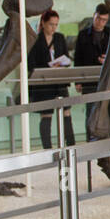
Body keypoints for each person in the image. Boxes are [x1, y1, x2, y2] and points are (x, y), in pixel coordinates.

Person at [27, 10, 75, 149]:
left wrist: (62, 63)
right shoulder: (35, 39)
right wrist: (47, 66)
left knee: (66, 111)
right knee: (46, 115)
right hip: (44, 82)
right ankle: (47, 148)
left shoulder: (59, 38)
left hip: (59, 81)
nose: (53, 28)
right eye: (51, 25)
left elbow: (66, 57)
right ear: (43, 23)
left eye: (56, 25)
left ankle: (71, 145)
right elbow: (31, 63)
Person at [74, 3, 110, 139]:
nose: (100, 22)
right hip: (90, 79)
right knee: (91, 111)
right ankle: (91, 139)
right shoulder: (83, 35)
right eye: (98, 18)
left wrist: (108, 59)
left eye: (104, 20)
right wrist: (78, 81)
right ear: (94, 16)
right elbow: (78, 58)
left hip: (109, 78)